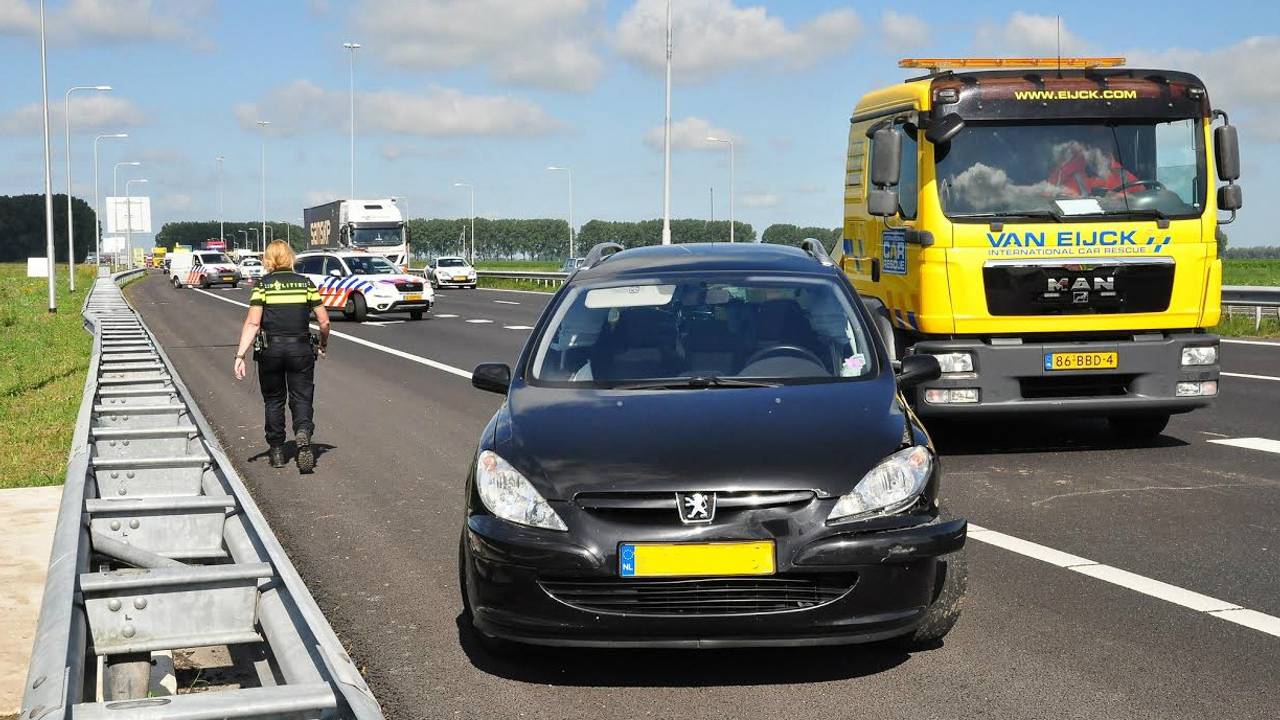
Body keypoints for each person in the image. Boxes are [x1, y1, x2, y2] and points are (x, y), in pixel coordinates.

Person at [233, 241, 330, 472]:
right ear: (290, 258)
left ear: (268, 259)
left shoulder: (263, 286)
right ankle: (303, 431)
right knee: (301, 396)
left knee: (274, 399)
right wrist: (323, 344)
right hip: (301, 350)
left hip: (270, 351)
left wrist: (240, 355)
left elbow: (253, 323)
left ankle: (276, 451)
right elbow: (324, 321)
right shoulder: (306, 284)